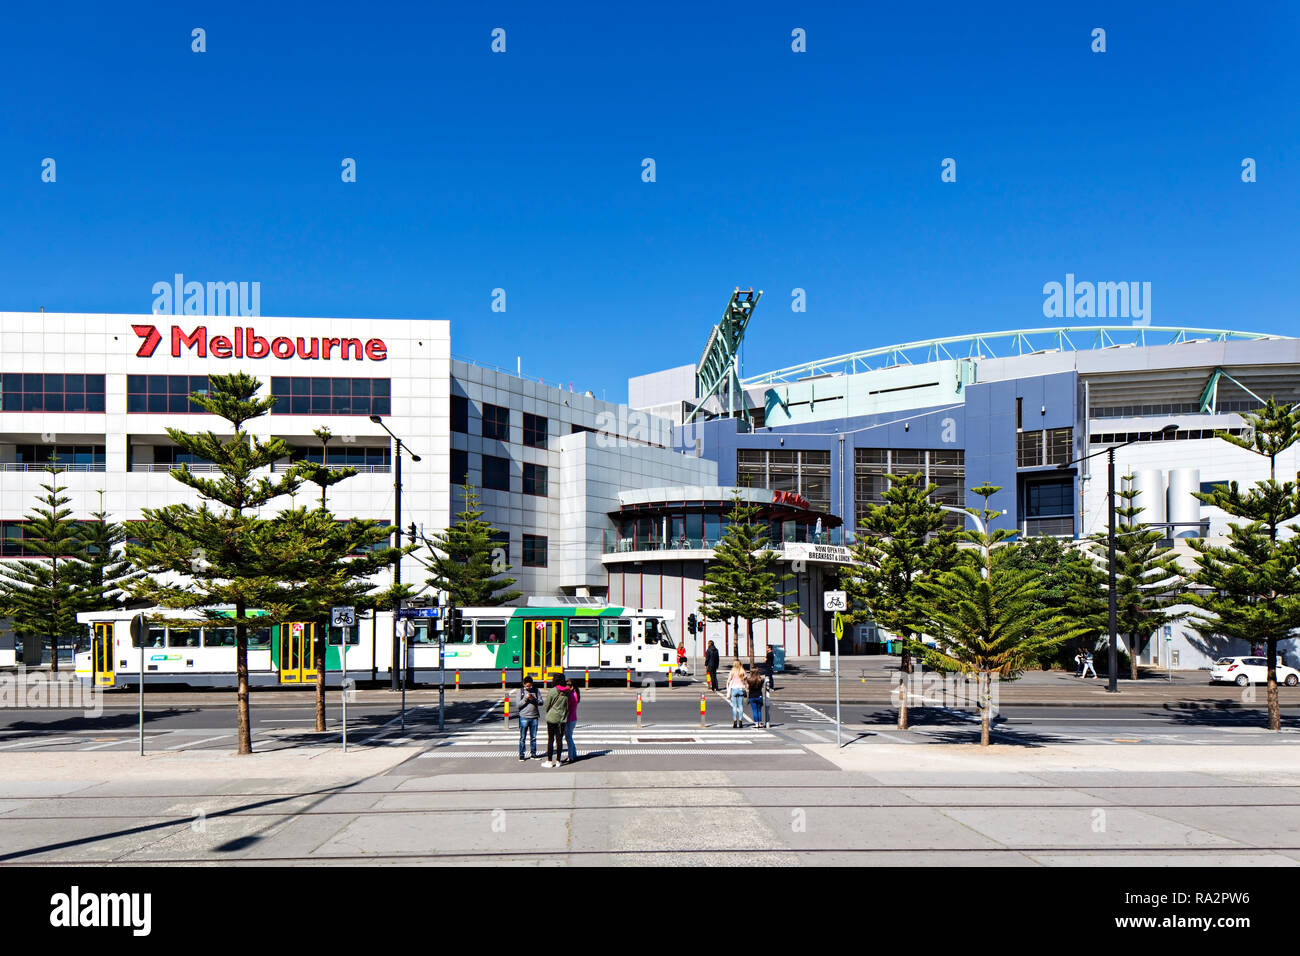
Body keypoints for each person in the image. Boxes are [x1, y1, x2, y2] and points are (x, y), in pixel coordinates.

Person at [542, 675, 570, 767]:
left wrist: (549, 712)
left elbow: (547, 705)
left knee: (551, 739)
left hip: (551, 718)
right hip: (561, 719)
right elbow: (567, 706)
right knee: (559, 740)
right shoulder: (567, 692)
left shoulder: (553, 691)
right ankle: (558, 761)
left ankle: (549, 761)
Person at [517, 677, 540, 761]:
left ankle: (533, 754)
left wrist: (533, 699)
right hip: (524, 717)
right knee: (523, 737)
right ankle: (521, 754)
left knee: (533, 737)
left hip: (534, 717)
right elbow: (518, 705)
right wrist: (526, 699)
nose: (529, 688)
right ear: (524, 684)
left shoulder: (536, 690)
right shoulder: (520, 691)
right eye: (527, 686)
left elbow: (541, 702)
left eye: (530, 686)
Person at [563, 676, 580, 764]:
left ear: (572, 687)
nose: (566, 687)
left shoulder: (571, 696)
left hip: (569, 719)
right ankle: (574, 754)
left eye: (567, 686)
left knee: (568, 738)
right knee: (570, 737)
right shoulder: (576, 694)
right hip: (573, 719)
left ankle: (571, 757)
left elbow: (566, 707)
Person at [726, 661, 747, 728]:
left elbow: (728, 681)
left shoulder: (732, 671)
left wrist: (729, 687)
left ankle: (735, 721)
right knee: (740, 706)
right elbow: (746, 679)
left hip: (734, 689)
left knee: (734, 706)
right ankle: (740, 721)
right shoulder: (742, 671)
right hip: (741, 689)